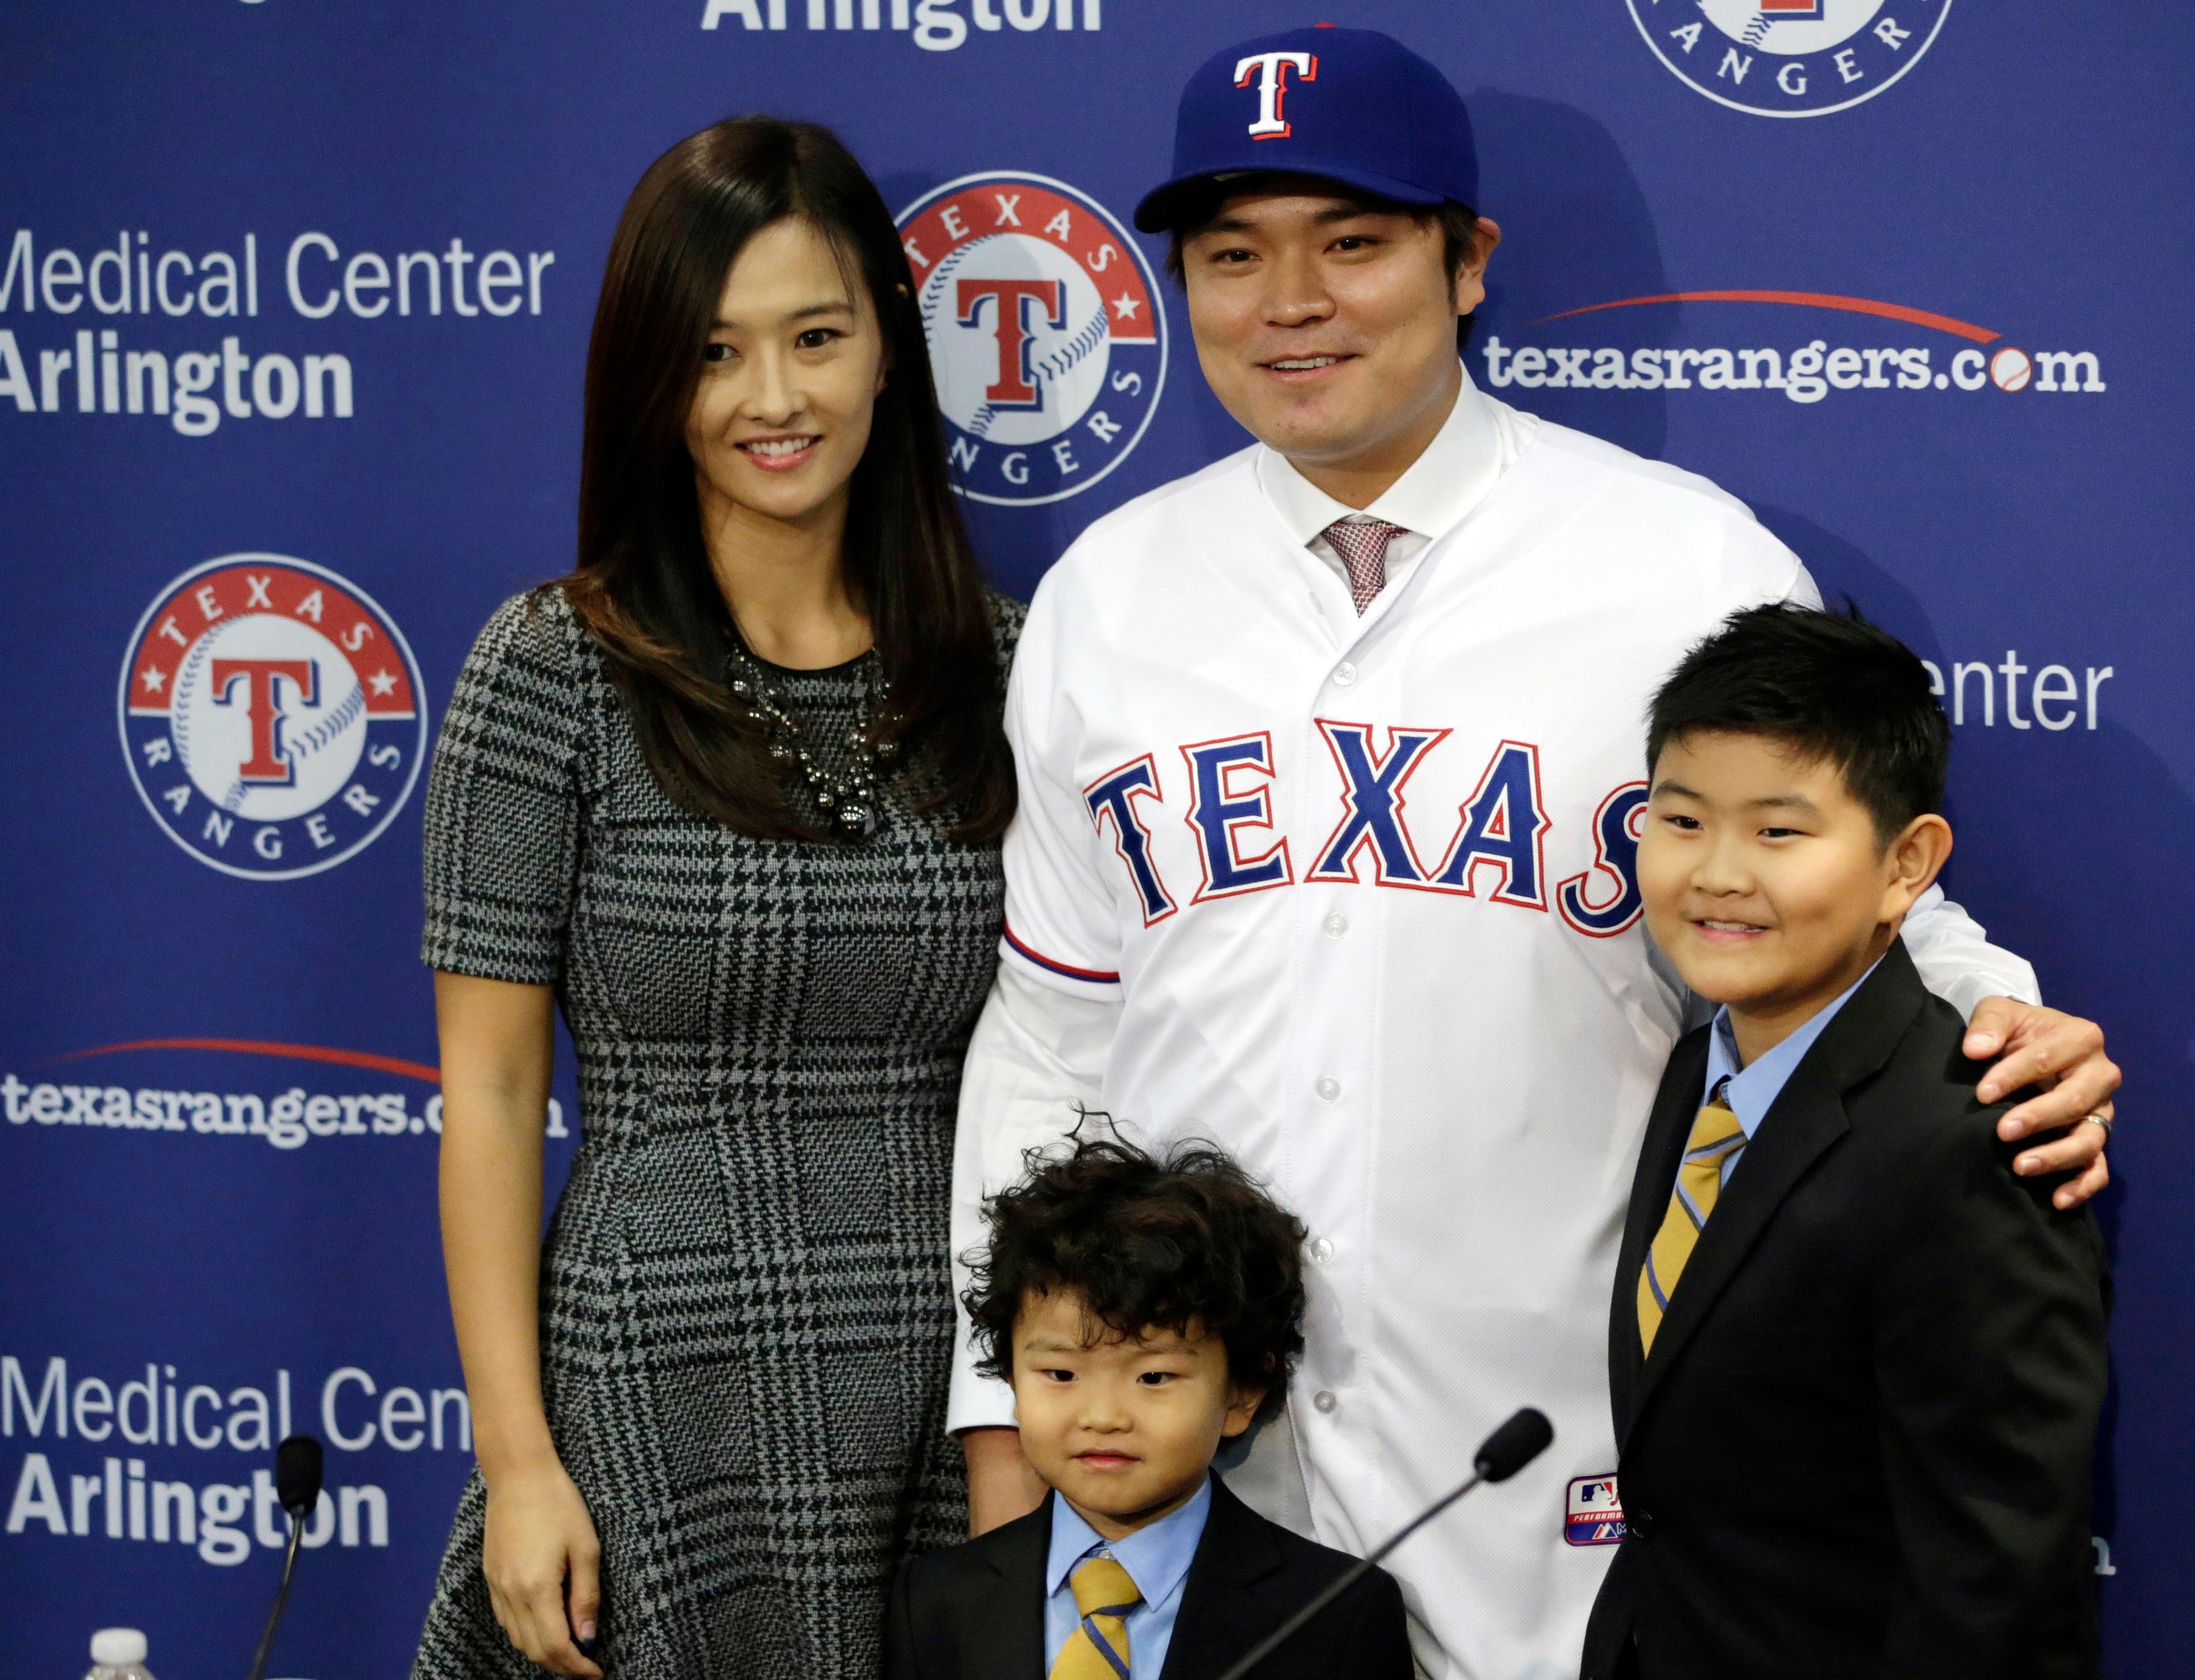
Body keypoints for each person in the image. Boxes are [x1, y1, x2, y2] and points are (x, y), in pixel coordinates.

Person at [945, 28, 2121, 1679]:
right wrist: (1005, 1412)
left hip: (1568, 1474)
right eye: (1232, 256)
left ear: (1468, 259)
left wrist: (2009, 1028)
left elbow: (1838, 899)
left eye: (1351, 243)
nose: (1290, 302)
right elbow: (1055, 1032)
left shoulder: (1674, 561)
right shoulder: (1108, 595)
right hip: (1211, 1483)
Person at [414, 117, 1019, 1680]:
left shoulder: (1008, 667)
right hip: (659, 1369)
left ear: (888, 346)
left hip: (954, 1374)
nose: (774, 399)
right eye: (716, 352)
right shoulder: (552, 669)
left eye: (816, 337)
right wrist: (519, 1460)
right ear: (652, 383)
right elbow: (486, 1090)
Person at [1582, 605, 2108, 1680]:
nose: (1719, 874)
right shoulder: (1697, 1069)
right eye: (1678, 821)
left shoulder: (1967, 1139)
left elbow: (1992, 1579)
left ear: (1905, 865)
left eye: (1778, 832)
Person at [888, 1140, 1412, 1680]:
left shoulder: (1334, 1612)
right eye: (1061, 1374)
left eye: (1154, 1376)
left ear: (1243, 1392)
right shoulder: (937, 1596)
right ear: (1011, 1377)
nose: (1104, 1416)